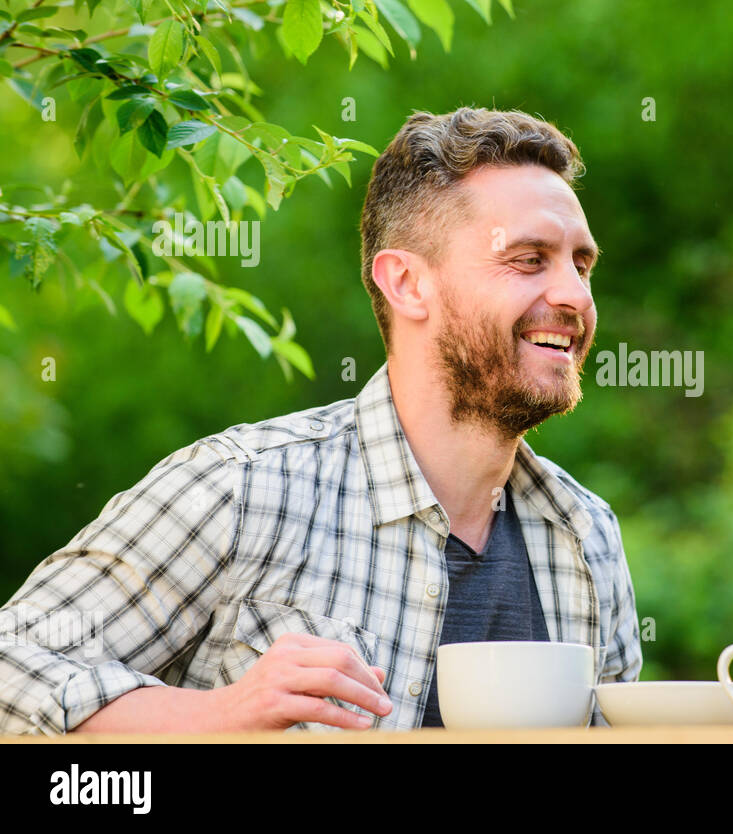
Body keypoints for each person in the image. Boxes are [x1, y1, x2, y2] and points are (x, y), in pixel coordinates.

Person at [0, 107, 641, 734]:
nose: (575, 296)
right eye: (529, 259)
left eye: (581, 265)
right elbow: (13, 663)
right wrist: (221, 716)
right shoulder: (243, 489)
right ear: (408, 284)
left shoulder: (588, 536)